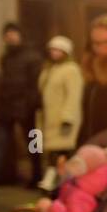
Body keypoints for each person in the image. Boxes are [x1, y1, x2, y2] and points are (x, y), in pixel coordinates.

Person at [0, 22, 42, 187]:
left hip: (27, 108)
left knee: (33, 142)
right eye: (7, 34)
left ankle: (37, 176)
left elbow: (36, 84)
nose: (10, 37)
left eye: (13, 33)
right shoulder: (6, 58)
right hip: (7, 107)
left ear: (20, 35)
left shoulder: (32, 57)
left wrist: (31, 104)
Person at [35, 36, 84, 191]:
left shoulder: (71, 70)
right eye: (52, 50)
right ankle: (54, 181)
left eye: (58, 50)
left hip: (62, 119)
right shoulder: (50, 69)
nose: (54, 53)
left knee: (61, 152)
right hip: (48, 118)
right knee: (50, 152)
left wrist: (67, 117)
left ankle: (59, 182)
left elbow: (73, 95)